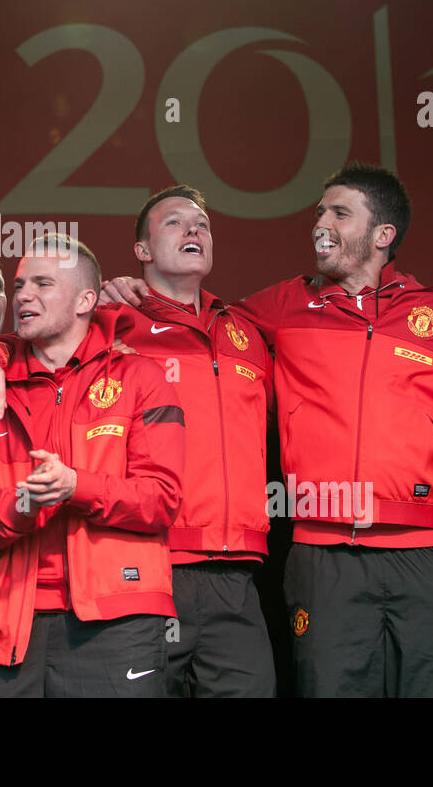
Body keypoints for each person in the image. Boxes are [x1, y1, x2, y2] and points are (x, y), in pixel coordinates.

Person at [104, 163, 433, 696]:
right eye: (318, 211)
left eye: (339, 213)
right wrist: (97, 294)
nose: (320, 223)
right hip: (320, 552)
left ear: (382, 235)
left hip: (427, 550)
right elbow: (47, 338)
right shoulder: (277, 308)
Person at [0, 234, 185, 697]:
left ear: (86, 300)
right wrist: (19, 508)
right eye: (20, 285)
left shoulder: (140, 377)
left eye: (43, 284)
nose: (23, 295)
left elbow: (161, 499)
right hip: (7, 625)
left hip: (118, 620)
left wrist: (76, 486)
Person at [123, 185, 274, 696]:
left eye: (202, 225)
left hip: (237, 573)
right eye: (174, 223)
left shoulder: (247, 334)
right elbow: (25, 347)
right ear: (142, 251)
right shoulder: (110, 322)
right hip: (147, 566)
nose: (194, 230)